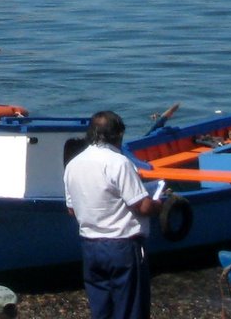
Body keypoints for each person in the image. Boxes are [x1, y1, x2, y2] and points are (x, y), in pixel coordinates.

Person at [63, 111, 160, 319]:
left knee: (101, 309)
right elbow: (142, 206)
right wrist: (159, 204)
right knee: (130, 309)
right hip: (122, 245)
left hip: (90, 245)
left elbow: (71, 209)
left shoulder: (73, 165)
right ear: (118, 135)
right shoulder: (119, 163)